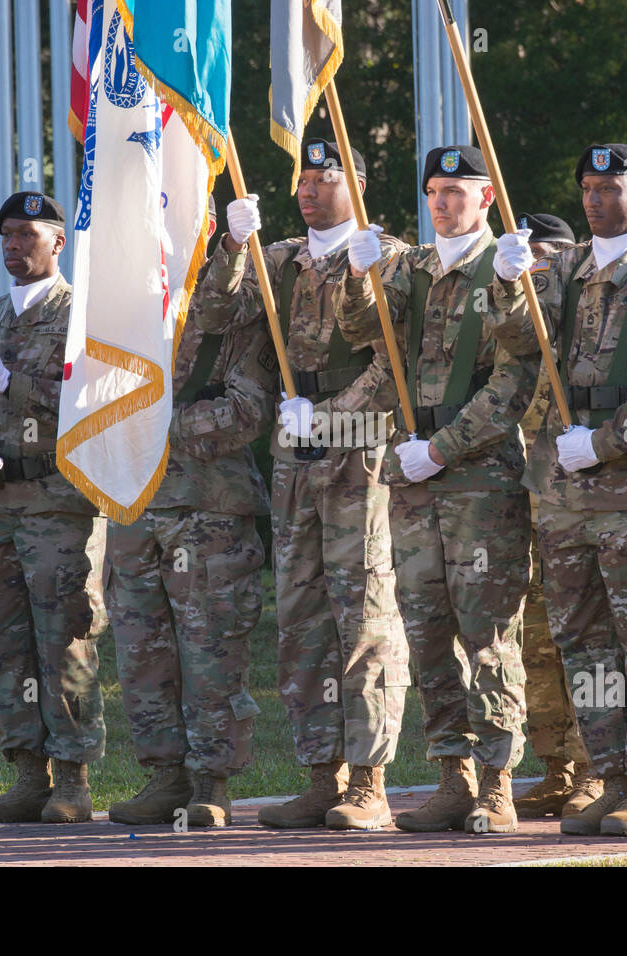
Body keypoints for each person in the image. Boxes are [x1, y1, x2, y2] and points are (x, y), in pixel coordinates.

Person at [491, 143, 627, 837]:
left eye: (608, 187)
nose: (593, 198)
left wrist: (605, 442)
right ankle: (611, 772)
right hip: (566, 488)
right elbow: (517, 342)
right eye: (586, 186)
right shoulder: (565, 268)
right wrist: (507, 284)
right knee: (584, 640)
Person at [194, 138, 412, 831]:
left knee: (366, 617)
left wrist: (327, 417)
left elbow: (394, 362)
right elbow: (213, 318)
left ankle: (370, 781)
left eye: (326, 178)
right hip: (296, 449)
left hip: (360, 448)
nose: (311, 190)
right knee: (303, 617)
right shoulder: (277, 258)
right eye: (305, 180)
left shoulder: (386, 257)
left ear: (358, 184)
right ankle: (324, 773)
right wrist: (232, 249)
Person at [341, 145, 538, 834]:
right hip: (413, 474)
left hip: (478, 473)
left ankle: (498, 783)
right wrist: (356, 274)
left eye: (456, 191)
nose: (442, 203)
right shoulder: (414, 270)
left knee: (486, 631)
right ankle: (452, 774)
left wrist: (442, 449)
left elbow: (518, 375)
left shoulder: (507, 269)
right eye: (433, 191)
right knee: (427, 630)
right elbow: (361, 332)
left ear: (486, 198)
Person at [104, 197, 277, 828]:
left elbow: (248, 411)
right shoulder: (124, 309)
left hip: (209, 505)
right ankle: (162, 775)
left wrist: (161, 427)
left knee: (210, 650)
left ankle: (212, 781)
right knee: (140, 648)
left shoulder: (235, 309)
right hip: (134, 499)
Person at [0, 191, 108, 824]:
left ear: (58, 241)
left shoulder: (80, 317)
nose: (13, 247)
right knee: (2, 641)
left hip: (59, 502)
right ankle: (26, 774)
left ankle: (74, 779)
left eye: (26, 235)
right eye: (5, 235)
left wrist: (13, 383)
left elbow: (96, 403)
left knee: (63, 637)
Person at [507, 213, 597, 821]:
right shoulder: (517, 327)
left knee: (583, 637)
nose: (535, 271)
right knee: (536, 640)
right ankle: (557, 765)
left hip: (585, 500)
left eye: (543, 260)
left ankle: (596, 766)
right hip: (530, 493)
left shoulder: (584, 325)